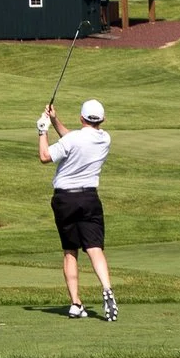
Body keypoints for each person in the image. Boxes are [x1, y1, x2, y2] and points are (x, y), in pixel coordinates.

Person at [39, 97, 116, 321]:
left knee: (70, 251)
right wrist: (55, 121)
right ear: (102, 120)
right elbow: (74, 137)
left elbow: (45, 156)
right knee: (94, 248)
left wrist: (42, 130)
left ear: (81, 118)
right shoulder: (105, 138)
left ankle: (75, 303)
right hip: (90, 198)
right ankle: (107, 289)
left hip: (65, 199)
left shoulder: (74, 139)